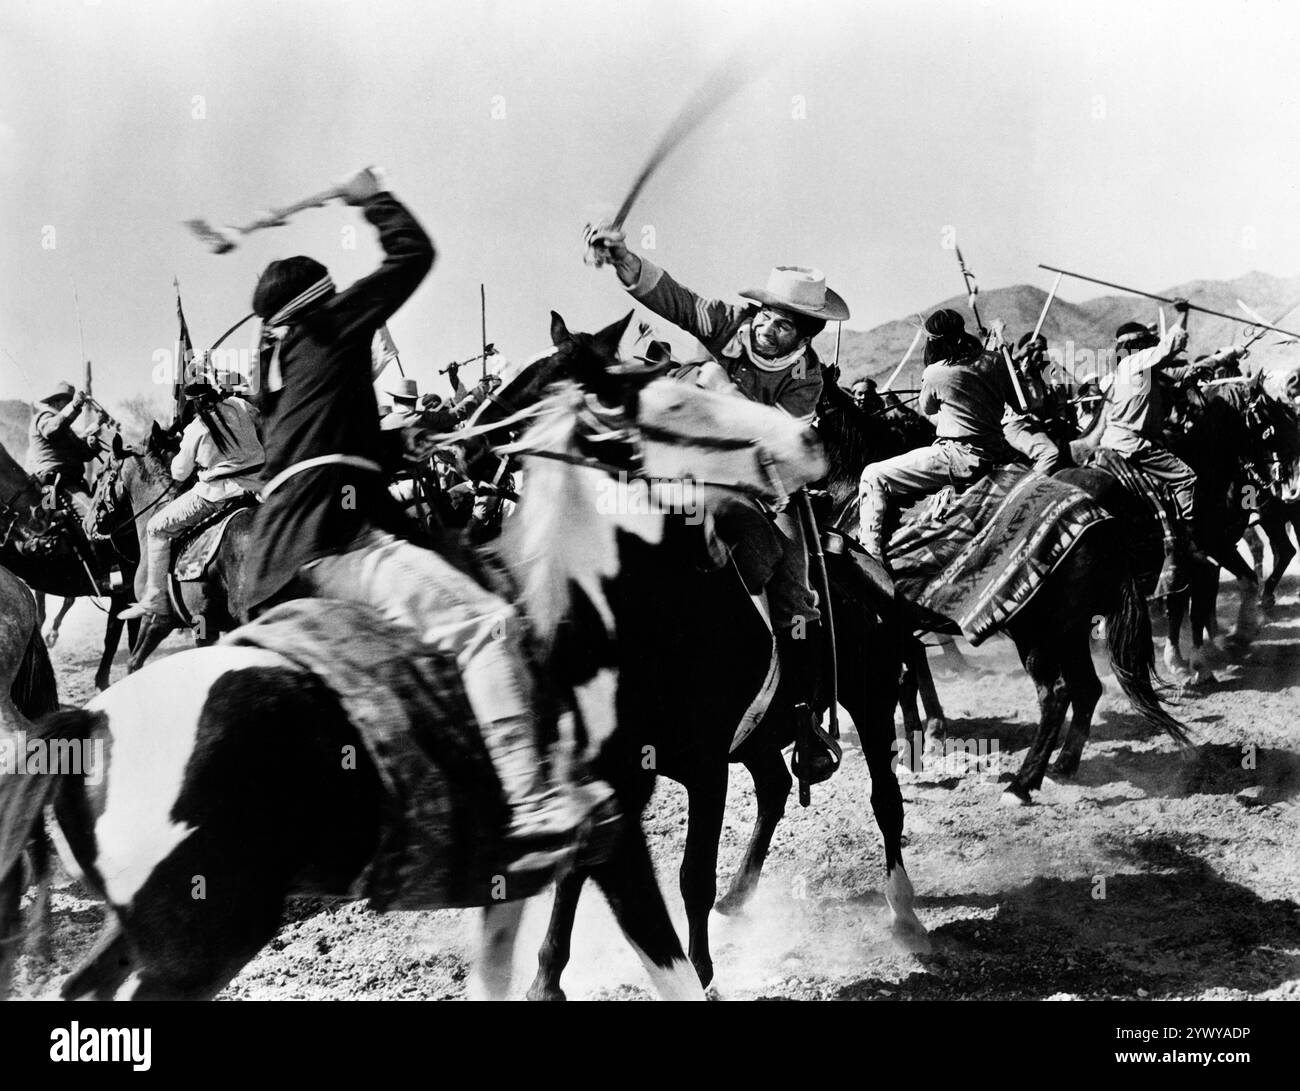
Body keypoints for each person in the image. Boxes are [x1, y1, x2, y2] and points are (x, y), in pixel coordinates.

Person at [244, 167, 603, 871]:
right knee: (487, 624)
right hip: (334, 545)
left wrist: (396, 443)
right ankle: (531, 806)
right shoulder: (331, 324)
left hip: (270, 565)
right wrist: (371, 195)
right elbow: (414, 256)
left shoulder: (290, 367)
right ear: (322, 301)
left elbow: (328, 448)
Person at [584, 222, 848, 763]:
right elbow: (673, 297)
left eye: (790, 330)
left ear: (806, 337)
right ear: (760, 312)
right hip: (678, 461)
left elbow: (772, 442)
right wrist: (622, 257)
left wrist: (723, 392)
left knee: (797, 588)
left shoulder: (807, 380)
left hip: (755, 481)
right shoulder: (727, 323)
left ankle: (802, 716)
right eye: (772, 320)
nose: (774, 332)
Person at [858, 309, 1014, 564]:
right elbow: (1021, 404)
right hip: (997, 450)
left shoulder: (935, 372)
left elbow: (929, 409)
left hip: (957, 457)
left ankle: (870, 554)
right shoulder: (996, 360)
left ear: (933, 339)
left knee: (872, 474)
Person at [117, 382, 265, 621]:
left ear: (192, 403)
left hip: (217, 494)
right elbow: (258, 419)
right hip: (259, 488)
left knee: (155, 528)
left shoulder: (196, 428)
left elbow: (178, 473)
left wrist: (186, 445)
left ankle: (154, 599)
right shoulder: (240, 405)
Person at [1096, 301, 1218, 580]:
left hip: (1119, 440)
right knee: (1186, 478)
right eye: (1147, 343)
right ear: (1138, 347)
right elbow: (1170, 347)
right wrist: (1183, 314)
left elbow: (1181, 372)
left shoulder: (1139, 370)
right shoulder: (1135, 363)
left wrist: (1228, 355)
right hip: (1132, 443)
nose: (1151, 347)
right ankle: (1189, 541)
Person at [25, 381, 106, 517]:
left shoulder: (64, 429)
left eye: (71, 401)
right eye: (67, 401)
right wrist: (74, 406)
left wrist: (92, 443)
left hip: (68, 483)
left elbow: (81, 452)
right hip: (53, 485)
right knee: (91, 515)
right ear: (56, 402)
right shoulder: (44, 417)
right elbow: (52, 429)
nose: (69, 404)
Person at [1001, 331, 1070, 474]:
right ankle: (1030, 489)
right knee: (1049, 454)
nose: (1042, 353)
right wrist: (1020, 355)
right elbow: (1003, 368)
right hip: (1016, 425)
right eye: (1037, 349)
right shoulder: (1017, 371)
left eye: (1044, 349)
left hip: (1035, 425)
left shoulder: (1040, 378)